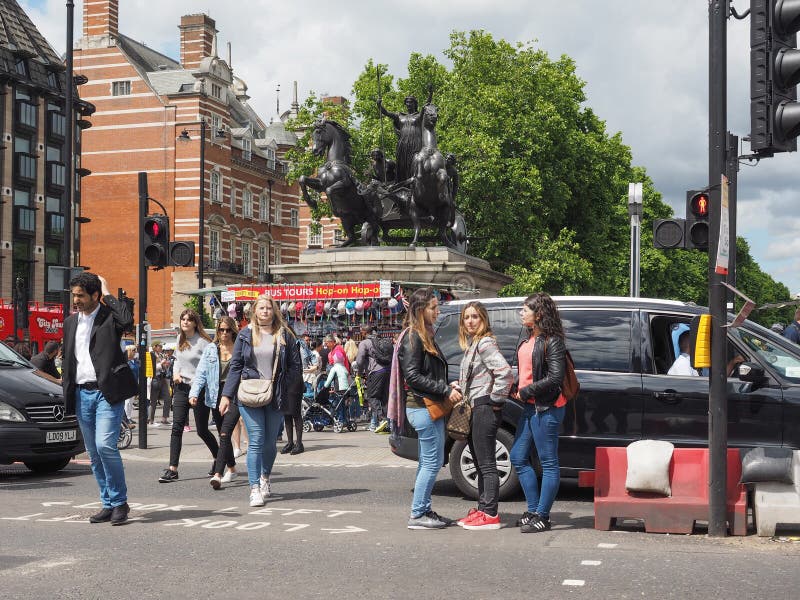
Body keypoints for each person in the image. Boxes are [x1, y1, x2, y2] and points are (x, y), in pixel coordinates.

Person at [61, 272, 137, 525]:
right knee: (93, 453)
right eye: (74, 295)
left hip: (107, 392)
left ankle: (120, 502)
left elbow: (127, 319)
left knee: (106, 446)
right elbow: (70, 360)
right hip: (82, 393)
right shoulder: (70, 323)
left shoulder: (108, 318)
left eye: (81, 295)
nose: (76, 300)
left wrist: (108, 294)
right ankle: (108, 503)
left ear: (95, 295)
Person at [220, 294, 302, 507]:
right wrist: (226, 395)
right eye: (261, 308)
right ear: (254, 311)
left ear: (274, 311)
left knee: (269, 443)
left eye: (269, 308)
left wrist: (284, 385)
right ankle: (254, 488)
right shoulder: (245, 335)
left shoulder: (284, 334)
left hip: (276, 395)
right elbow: (236, 365)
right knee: (256, 440)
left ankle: (265, 477)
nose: (265, 311)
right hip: (250, 393)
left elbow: (296, 366)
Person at [398, 288, 462, 530]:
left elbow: (426, 373)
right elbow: (412, 376)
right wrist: (445, 390)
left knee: (428, 461)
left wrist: (447, 384)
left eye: (437, 307)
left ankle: (423, 509)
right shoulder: (413, 336)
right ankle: (417, 514)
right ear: (419, 310)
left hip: (427, 406)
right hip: (423, 407)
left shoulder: (425, 335)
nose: (438, 311)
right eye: (433, 308)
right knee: (432, 463)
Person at [510, 293, 568, 533]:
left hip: (547, 407)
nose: (521, 313)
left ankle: (543, 516)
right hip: (530, 406)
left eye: (526, 309)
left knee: (548, 462)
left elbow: (555, 377)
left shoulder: (552, 340)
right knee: (518, 456)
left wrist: (527, 391)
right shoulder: (527, 338)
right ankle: (534, 510)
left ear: (539, 313)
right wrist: (516, 387)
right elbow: (526, 371)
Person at [456, 302, 514, 531]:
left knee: (487, 464)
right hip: (476, 406)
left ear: (484, 320)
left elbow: (505, 373)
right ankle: (483, 509)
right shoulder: (474, 344)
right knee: (481, 463)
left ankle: (490, 514)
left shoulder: (485, 343)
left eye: (475, 317)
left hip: (483, 408)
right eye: (467, 317)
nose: (470, 321)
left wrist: (495, 400)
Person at [158, 310, 214, 482]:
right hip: (182, 388)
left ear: (195, 323)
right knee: (177, 427)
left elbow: (208, 368)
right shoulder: (179, 339)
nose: (185, 322)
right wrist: (175, 374)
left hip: (199, 389)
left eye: (189, 320)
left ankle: (219, 458)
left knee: (202, 430)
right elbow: (177, 361)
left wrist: (197, 385)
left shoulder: (204, 342)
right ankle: (172, 469)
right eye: (183, 319)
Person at [190, 316, 241, 489]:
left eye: (228, 330)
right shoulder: (211, 349)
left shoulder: (240, 347)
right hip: (215, 394)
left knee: (225, 433)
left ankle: (218, 474)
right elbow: (201, 374)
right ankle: (232, 468)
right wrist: (194, 393)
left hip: (235, 394)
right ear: (217, 331)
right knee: (222, 433)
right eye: (221, 330)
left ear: (233, 330)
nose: (224, 333)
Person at [377, 89, 432, 183]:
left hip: (415, 144)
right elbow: (386, 113)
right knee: (402, 165)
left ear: (415, 104)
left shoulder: (419, 115)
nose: (408, 104)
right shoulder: (400, 116)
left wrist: (430, 93)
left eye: (410, 102)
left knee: (415, 164)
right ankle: (402, 185)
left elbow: (426, 105)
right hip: (403, 144)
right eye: (407, 102)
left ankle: (415, 183)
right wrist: (379, 105)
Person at [356, 324, 391, 432]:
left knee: (372, 396)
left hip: (376, 371)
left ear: (363, 332)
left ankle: (382, 419)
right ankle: (388, 423)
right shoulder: (380, 340)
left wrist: (359, 373)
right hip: (387, 370)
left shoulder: (365, 343)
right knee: (384, 398)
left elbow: (359, 360)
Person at [324, 347, 352, 425]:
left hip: (339, 389)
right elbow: (348, 378)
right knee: (343, 405)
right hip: (346, 390)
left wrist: (325, 387)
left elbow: (329, 380)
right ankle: (346, 420)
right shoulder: (344, 368)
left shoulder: (334, 368)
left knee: (338, 406)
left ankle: (341, 420)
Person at [148, 341, 172, 426]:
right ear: (155, 346)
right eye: (160, 346)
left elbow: (163, 367)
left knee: (168, 398)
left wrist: (166, 365)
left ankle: (164, 419)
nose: (161, 348)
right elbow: (151, 367)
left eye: (162, 346)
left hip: (162, 378)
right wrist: (161, 364)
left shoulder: (161, 355)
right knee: (153, 401)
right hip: (154, 378)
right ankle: (151, 420)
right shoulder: (151, 355)